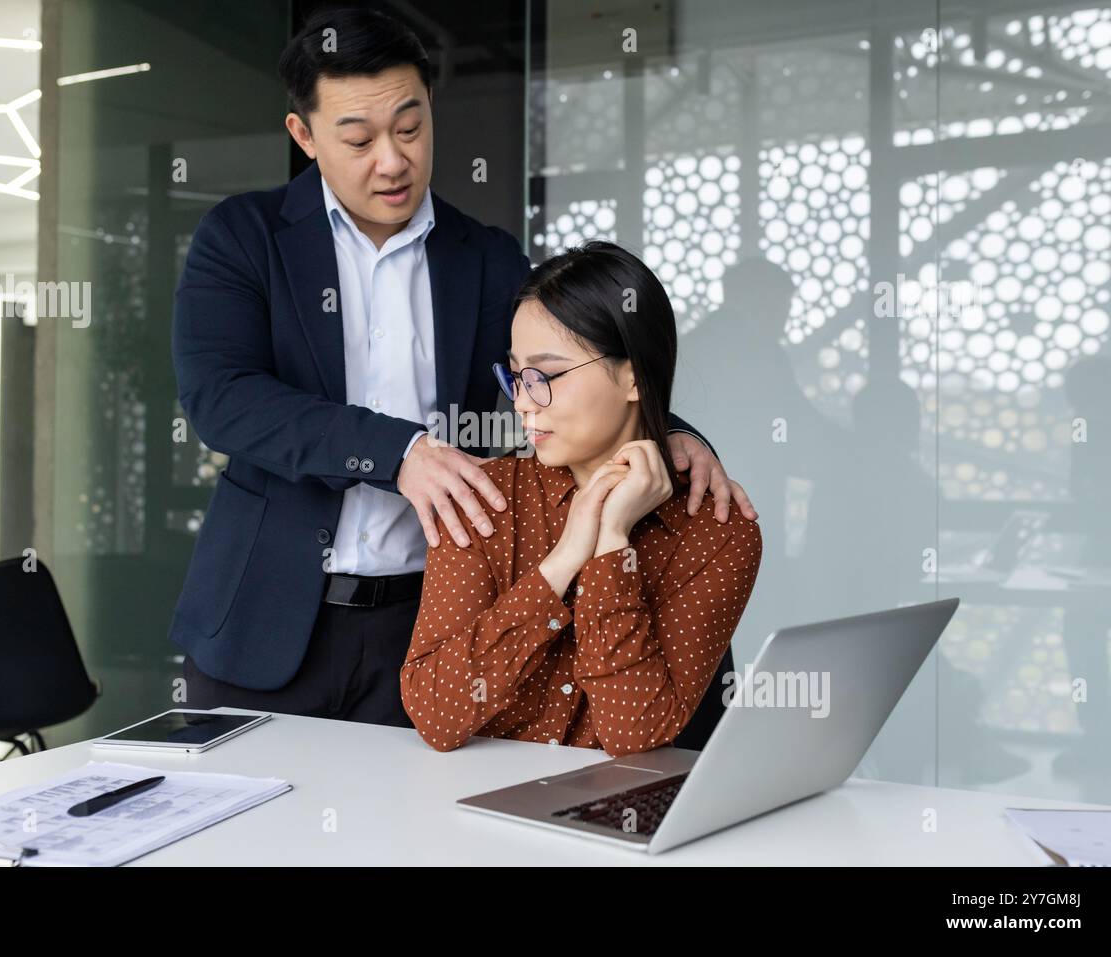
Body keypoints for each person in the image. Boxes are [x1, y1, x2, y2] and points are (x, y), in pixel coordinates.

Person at [169, 8, 756, 727]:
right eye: (359, 139)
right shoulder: (244, 237)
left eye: (410, 128)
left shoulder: (486, 258)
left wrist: (671, 433)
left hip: (426, 628)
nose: (393, 161)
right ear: (305, 135)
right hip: (264, 623)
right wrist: (399, 453)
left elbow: (566, 372)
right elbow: (221, 398)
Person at [401, 242, 763, 755]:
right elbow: (435, 714)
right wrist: (563, 561)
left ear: (633, 376)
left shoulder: (718, 531)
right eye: (516, 376)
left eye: (545, 376)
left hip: (627, 804)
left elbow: (633, 734)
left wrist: (611, 543)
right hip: (481, 801)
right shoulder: (483, 499)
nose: (522, 403)